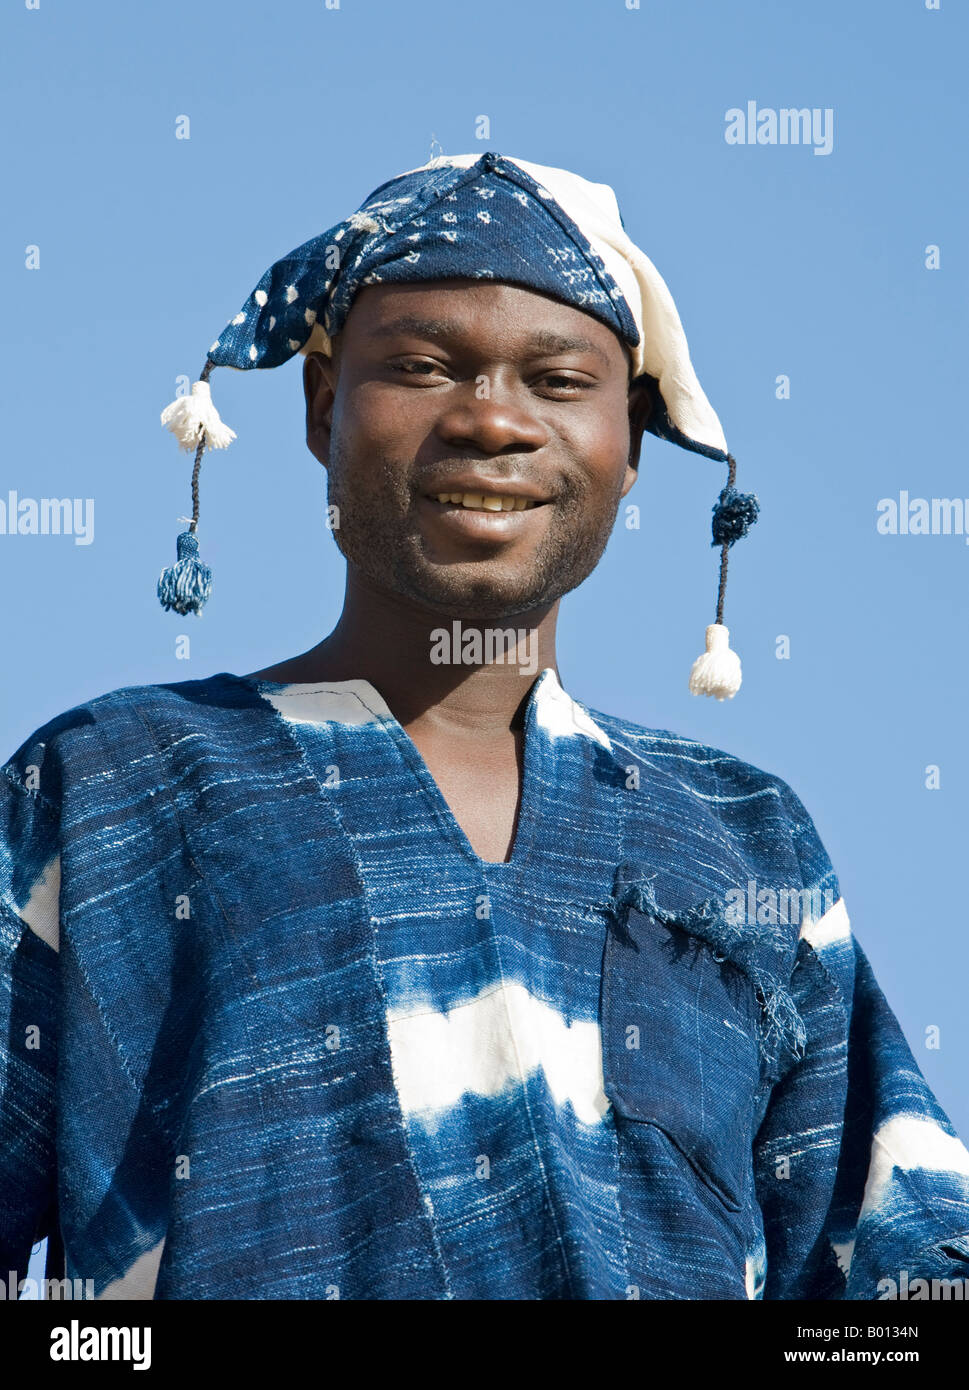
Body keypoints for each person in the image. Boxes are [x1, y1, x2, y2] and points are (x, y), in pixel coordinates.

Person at [2, 152, 967, 1301]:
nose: (492, 420)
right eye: (420, 366)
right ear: (322, 408)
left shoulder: (745, 839)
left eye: (558, 382)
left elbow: (893, 1268)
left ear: (633, 446)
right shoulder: (116, 782)